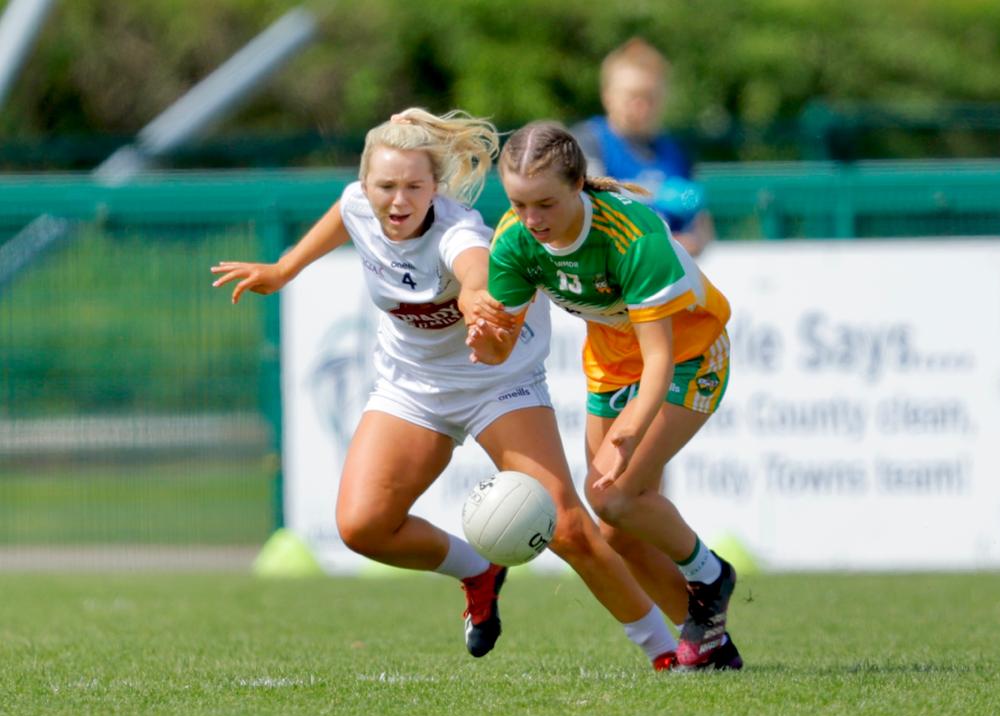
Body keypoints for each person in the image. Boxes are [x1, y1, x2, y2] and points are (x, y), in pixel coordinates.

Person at [212, 108, 685, 671]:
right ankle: (478, 572)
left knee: (567, 528)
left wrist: (470, 296)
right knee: (362, 526)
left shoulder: (456, 231)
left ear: (435, 187)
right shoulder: (358, 204)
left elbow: (476, 270)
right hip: (412, 385)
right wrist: (284, 268)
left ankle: (664, 649)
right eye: (385, 186)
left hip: (497, 382)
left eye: (414, 186)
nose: (398, 200)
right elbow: (343, 215)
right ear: (366, 184)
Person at [466, 121, 742, 670]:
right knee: (616, 528)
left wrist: (632, 428)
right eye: (519, 204)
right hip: (614, 362)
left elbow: (661, 359)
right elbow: (498, 351)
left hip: (691, 354)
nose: (532, 219)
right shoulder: (515, 239)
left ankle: (711, 577)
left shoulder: (631, 234)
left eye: (545, 203)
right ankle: (711, 649)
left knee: (613, 496)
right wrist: (484, 339)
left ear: (577, 185)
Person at [571, 37, 714, 257]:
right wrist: (654, 197)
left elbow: (702, 230)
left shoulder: (676, 153)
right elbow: (589, 206)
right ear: (608, 96)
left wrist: (691, 242)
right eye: (632, 96)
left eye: (650, 97)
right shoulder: (587, 143)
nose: (641, 106)